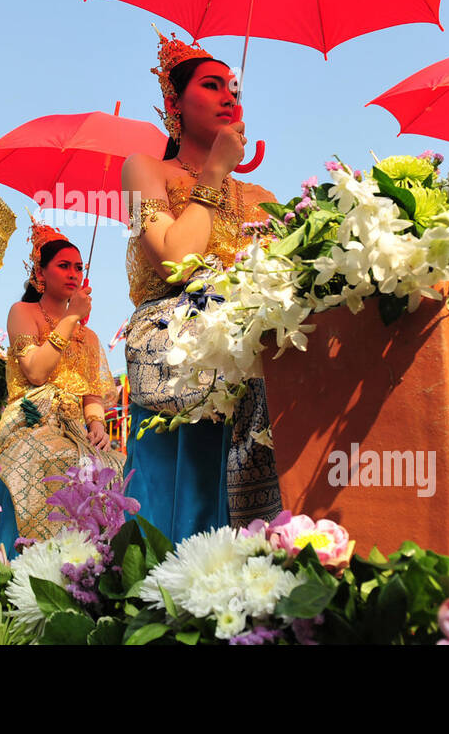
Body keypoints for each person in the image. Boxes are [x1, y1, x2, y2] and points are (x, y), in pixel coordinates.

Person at [119, 29, 282, 541]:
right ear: (174, 103)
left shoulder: (261, 195)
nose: (229, 96)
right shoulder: (142, 170)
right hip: (172, 351)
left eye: (233, 88)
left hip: (253, 352)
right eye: (212, 85)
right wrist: (214, 171)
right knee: (177, 511)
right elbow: (174, 260)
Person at [0, 223, 123, 540]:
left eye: (78, 268)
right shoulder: (23, 312)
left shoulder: (88, 335)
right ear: (40, 274)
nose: (73, 274)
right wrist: (69, 319)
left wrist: (98, 426)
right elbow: (35, 372)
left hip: (74, 428)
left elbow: (92, 391)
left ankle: (96, 563)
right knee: (63, 459)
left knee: (115, 466)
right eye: (63, 266)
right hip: (30, 421)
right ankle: (43, 556)